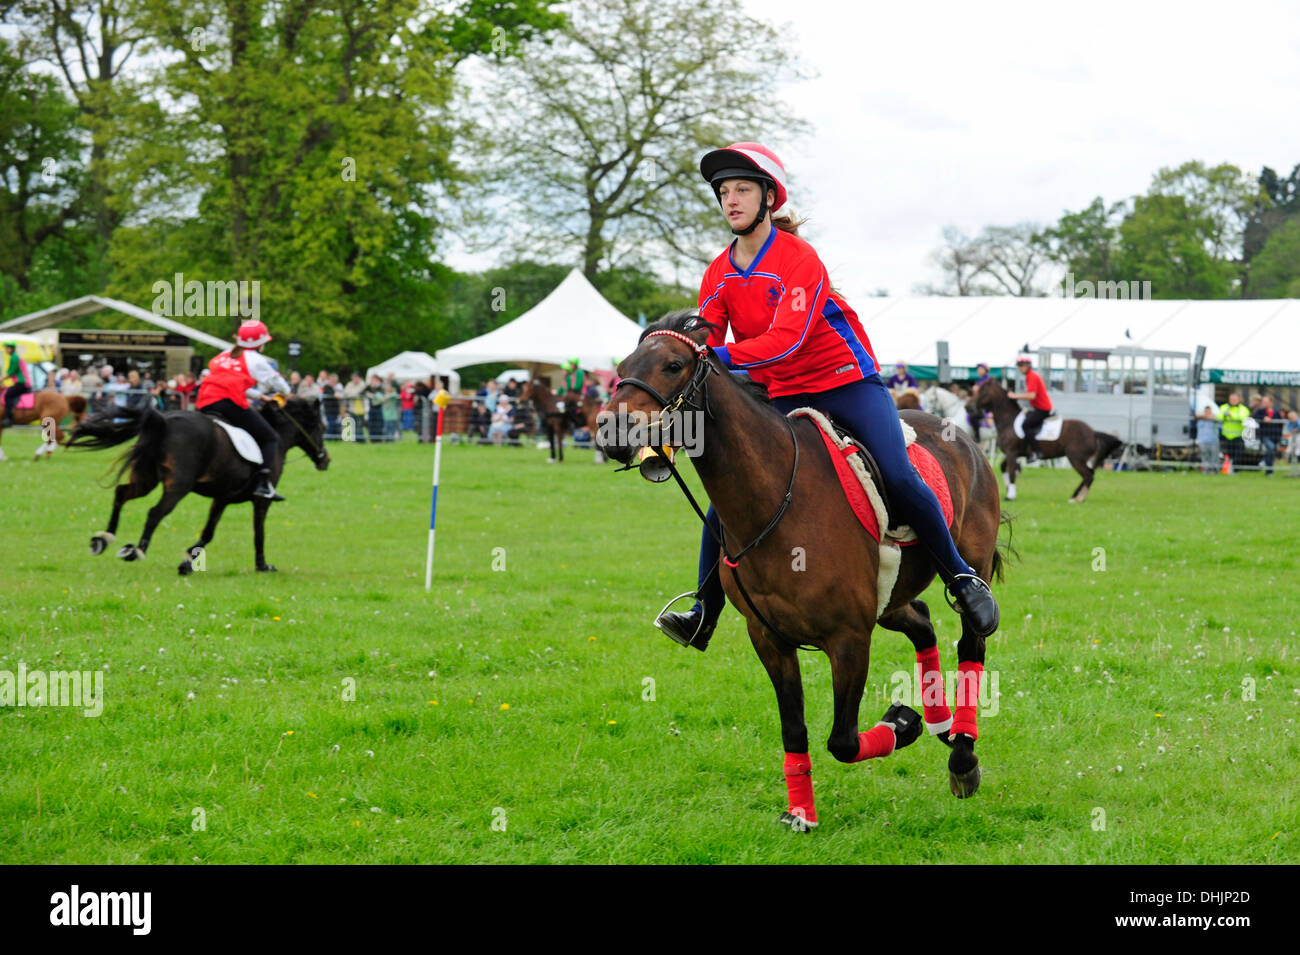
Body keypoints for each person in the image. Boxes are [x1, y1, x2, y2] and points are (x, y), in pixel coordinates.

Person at [654, 141, 999, 652]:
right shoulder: (718, 271)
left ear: (769, 197)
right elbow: (709, 337)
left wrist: (715, 357)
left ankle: (959, 576)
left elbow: (786, 339)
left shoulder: (799, 260)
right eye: (724, 192)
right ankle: (705, 610)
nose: (730, 200)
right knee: (724, 499)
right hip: (783, 391)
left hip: (847, 383)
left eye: (742, 189)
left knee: (899, 472)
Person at [195, 319, 292, 500]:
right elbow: (280, 385)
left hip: (205, 402)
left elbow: (229, 382)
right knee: (270, 438)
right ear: (260, 343)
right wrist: (286, 392)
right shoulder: (256, 360)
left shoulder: (224, 354)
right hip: (228, 404)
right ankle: (263, 483)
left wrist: (258, 396)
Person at [1007, 355, 1053, 463]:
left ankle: (1037, 452)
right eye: (1018, 365)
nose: (1020, 368)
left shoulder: (1032, 376)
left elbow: (1031, 395)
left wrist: (1015, 396)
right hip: (1038, 408)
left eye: (1022, 365)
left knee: (1025, 425)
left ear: (1028, 366)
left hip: (1042, 409)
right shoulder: (1030, 376)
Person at [1, 341, 31, 427]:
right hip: (22, 382)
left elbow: (11, 372)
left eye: (7, 348)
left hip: (22, 383)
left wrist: (1, 378)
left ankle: (9, 418)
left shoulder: (14, 357)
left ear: (11, 348)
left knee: (7, 395)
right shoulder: (15, 356)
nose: (6, 350)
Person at [1252, 395, 1282, 476]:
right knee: (1271, 448)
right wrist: (1263, 418)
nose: (1264, 403)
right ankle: (1264, 461)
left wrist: (1280, 436)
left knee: (1271, 453)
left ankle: (1269, 471)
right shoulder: (1260, 411)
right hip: (1265, 435)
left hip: (1275, 436)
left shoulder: (1276, 411)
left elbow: (1280, 424)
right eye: (1263, 402)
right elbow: (1254, 417)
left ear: (1270, 402)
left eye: (1266, 401)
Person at [1218, 392, 1249, 469]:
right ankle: (1229, 468)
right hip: (1226, 435)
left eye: (1235, 399)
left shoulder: (1243, 409)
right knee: (1228, 454)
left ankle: (1235, 468)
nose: (1233, 401)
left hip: (1238, 435)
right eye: (1231, 399)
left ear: (1239, 400)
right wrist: (1224, 416)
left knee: (1240, 453)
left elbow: (1243, 417)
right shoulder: (1224, 407)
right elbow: (1218, 416)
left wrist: (1231, 416)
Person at [1195, 404, 1221, 474]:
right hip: (1202, 440)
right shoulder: (1200, 418)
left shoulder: (1214, 418)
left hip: (1213, 440)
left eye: (1209, 411)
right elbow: (1195, 415)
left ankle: (1214, 470)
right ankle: (1206, 469)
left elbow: (1218, 419)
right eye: (1206, 411)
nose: (1207, 413)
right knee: (1204, 456)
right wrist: (1204, 416)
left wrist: (1210, 417)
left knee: (1214, 456)